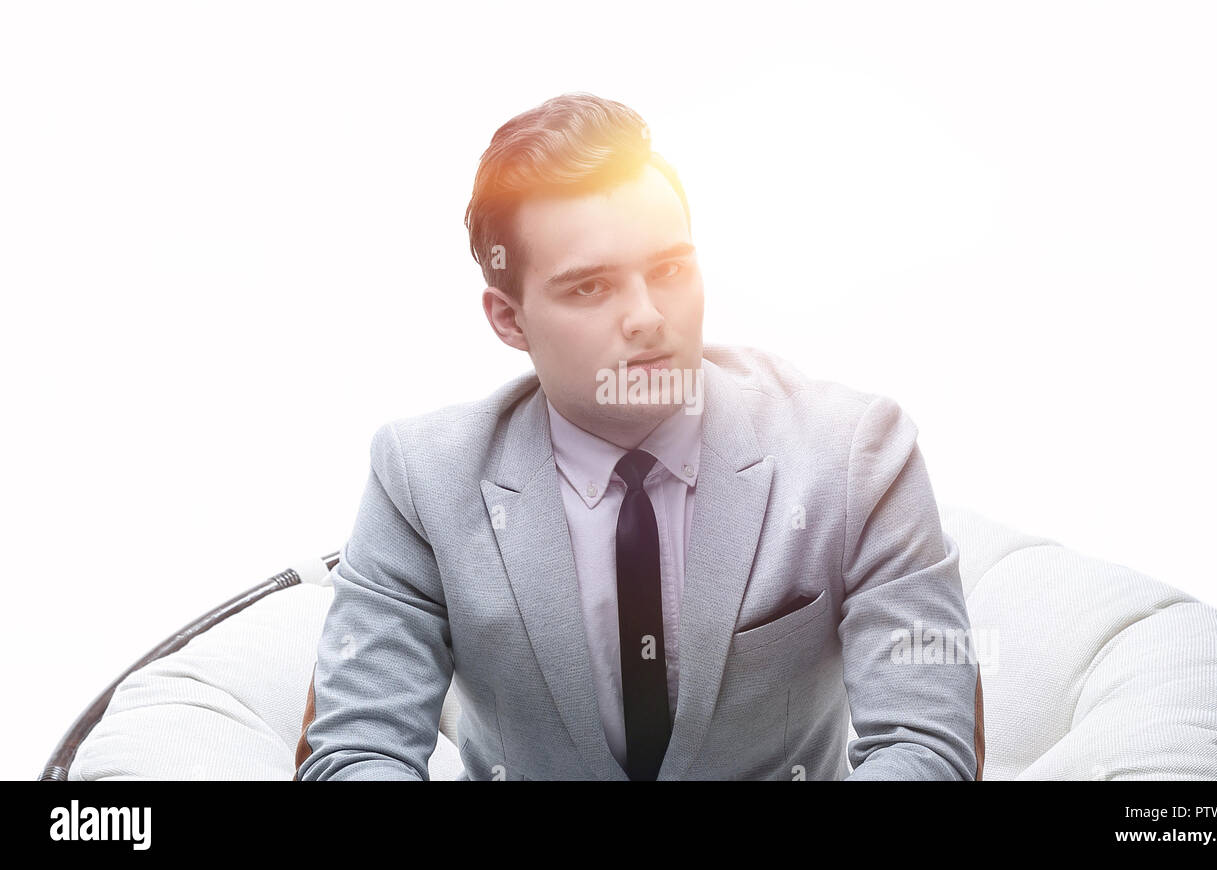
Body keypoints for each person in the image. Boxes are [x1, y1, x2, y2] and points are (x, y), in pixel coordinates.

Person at [294, 92, 984, 781]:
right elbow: (357, 751)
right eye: (590, 288)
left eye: (669, 271)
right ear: (509, 320)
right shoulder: (421, 480)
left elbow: (925, 745)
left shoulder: (855, 453)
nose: (648, 317)